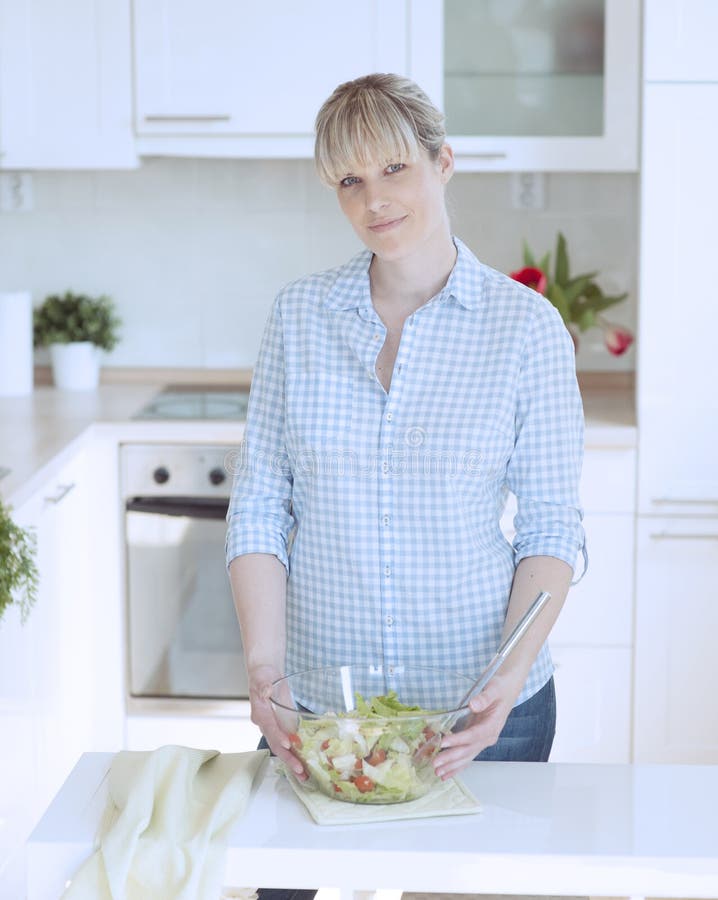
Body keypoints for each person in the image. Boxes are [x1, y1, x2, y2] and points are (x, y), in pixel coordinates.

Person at [226, 73, 586, 896]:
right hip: (317, 707)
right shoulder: (299, 317)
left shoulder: (525, 329)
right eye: (349, 180)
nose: (373, 200)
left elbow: (552, 531)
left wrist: (502, 680)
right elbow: (257, 507)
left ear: (443, 161)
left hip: (480, 710)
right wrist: (265, 671)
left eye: (393, 169)